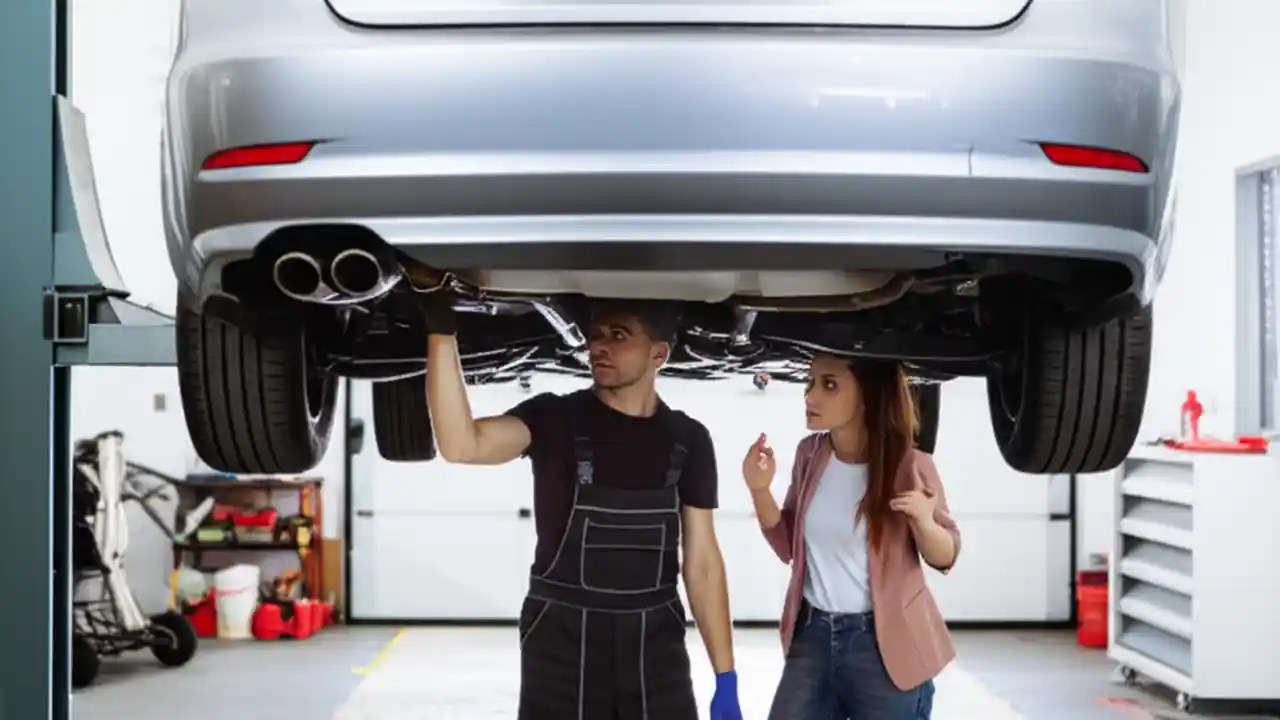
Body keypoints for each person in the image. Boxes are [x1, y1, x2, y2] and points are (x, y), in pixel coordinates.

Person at [421, 293, 743, 720]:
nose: (599, 346)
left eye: (619, 335)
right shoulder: (554, 419)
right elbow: (464, 445)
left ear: (659, 354)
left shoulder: (689, 439)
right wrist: (441, 332)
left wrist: (726, 677)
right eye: (595, 335)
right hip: (561, 641)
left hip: (654, 647)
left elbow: (701, 562)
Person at [742, 355, 961, 720]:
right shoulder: (809, 454)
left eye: (829, 385)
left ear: (867, 396)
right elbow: (787, 547)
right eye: (809, 383)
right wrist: (760, 489)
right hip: (812, 634)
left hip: (882, 643)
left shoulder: (910, 464)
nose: (810, 396)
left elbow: (946, 555)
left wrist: (924, 522)